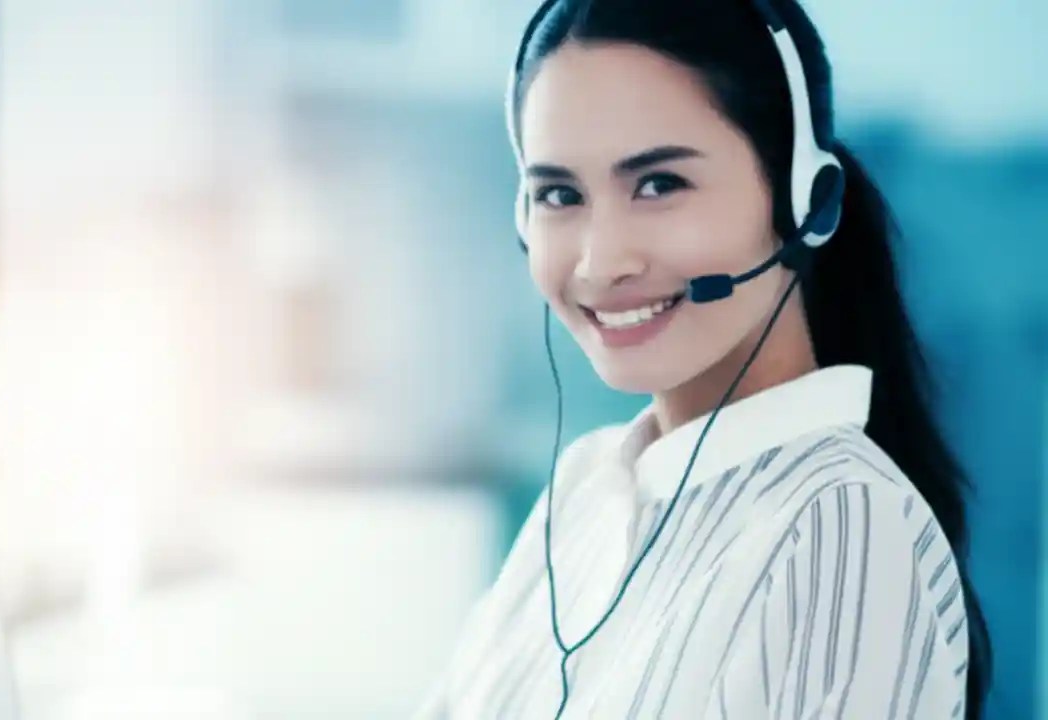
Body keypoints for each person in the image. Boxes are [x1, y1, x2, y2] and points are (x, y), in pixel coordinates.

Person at [413, 0, 992, 717]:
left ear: (803, 201)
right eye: (559, 194)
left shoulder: (839, 525)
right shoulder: (583, 493)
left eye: (659, 184)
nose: (600, 262)